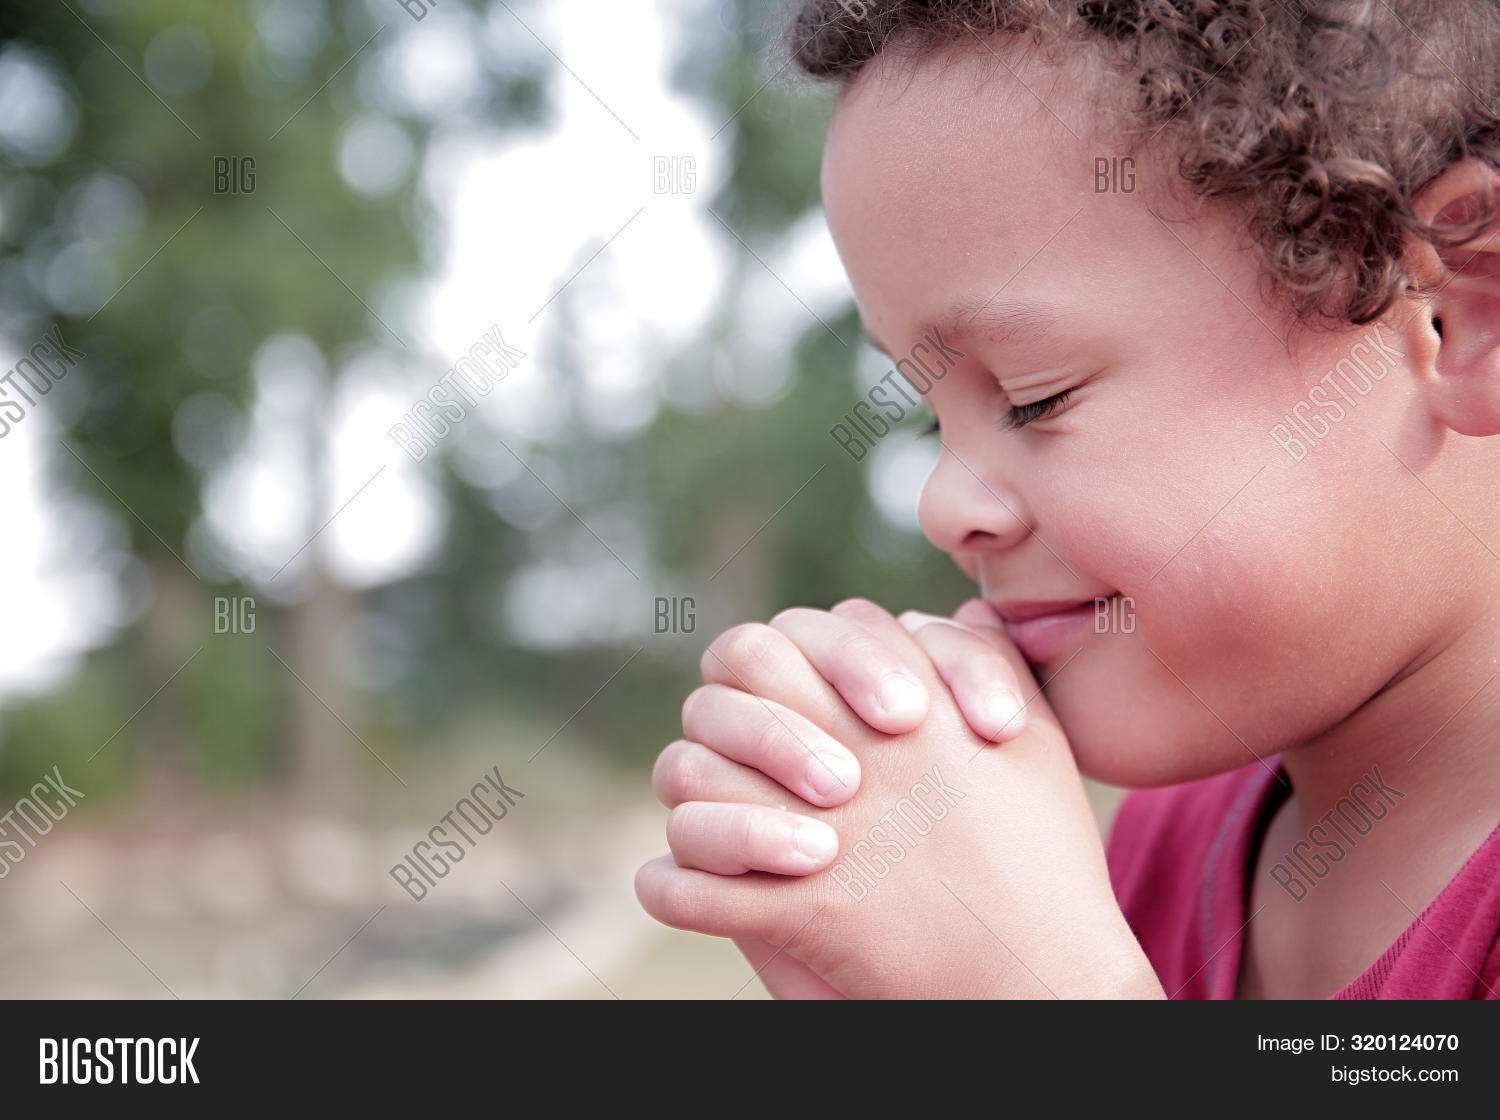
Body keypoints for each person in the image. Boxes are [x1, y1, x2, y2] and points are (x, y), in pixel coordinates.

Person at [636, 0, 1500, 999]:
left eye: (1036, 394)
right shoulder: (1153, 852)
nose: (943, 507)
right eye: (930, 421)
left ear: (1456, 317)